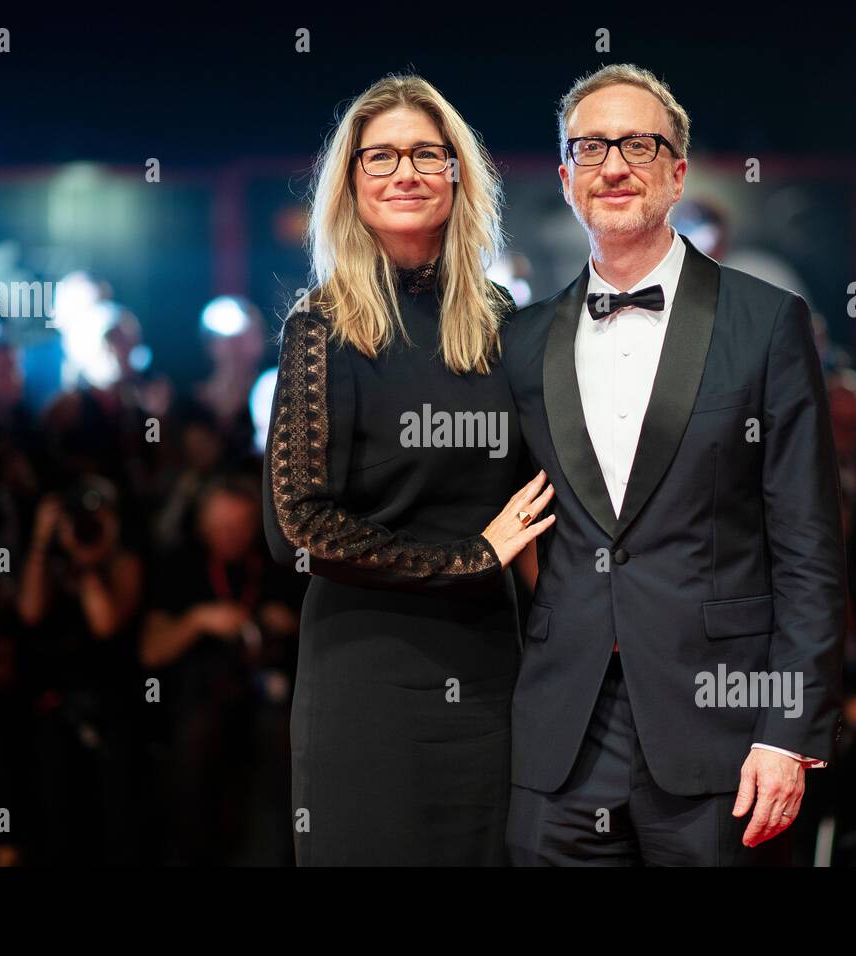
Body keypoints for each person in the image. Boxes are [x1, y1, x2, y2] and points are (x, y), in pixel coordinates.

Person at [501, 64, 846, 865]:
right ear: (564, 176)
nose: (613, 165)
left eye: (637, 144)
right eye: (590, 148)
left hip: (722, 736)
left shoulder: (767, 323)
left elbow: (809, 547)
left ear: (677, 169)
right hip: (560, 740)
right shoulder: (520, 341)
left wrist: (787, 733)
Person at [261, 74, 553, 865]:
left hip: (490, 672)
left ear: (458, 174)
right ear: (351, 182)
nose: (406, 173)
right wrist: (469, 558)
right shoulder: (320, 324)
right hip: (366, 676)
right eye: (380, 156)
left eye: (427, 153)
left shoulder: (503, 323)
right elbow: (300, 525)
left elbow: (539, 506)